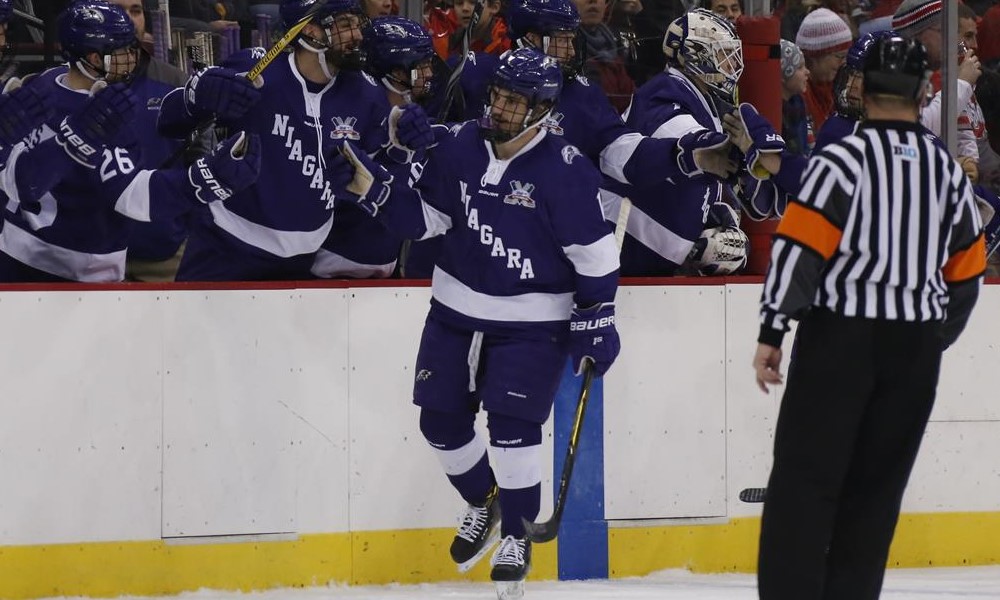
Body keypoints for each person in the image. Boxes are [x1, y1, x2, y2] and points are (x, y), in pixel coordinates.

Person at [332, 47, 621, 596]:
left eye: (515, 100)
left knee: (513, 432)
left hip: (533, 324)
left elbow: (597, 259)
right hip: (453, 313)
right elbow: (429, 219)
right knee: (439, 425)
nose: (501, 107)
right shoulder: (462, 144)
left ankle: (516, 532)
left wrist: (597, 317)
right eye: (499, 95)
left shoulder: (565, 171)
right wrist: (374, 192)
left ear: (542, 109)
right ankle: (483, 501)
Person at [753, 36, 986, 600]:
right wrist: (931, 339)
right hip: (913, 353)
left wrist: (772, 330)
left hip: (841, 341)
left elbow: (799, 250)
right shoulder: (946, 172)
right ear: (922, 90)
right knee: (875, 496)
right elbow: (968, 270)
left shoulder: (843, 160)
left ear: (863, 88)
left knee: (805, 488)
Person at [407, 0, 737, 277]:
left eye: (571, 38)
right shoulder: (476, 73)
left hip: (536, 247)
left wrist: (685, 155)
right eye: (561, 39)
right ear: (532, 38)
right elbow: (426, 136)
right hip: (464, 234)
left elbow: (622, 153)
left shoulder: (581, 94)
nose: (570, 47)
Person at [0, 0, 259, 283]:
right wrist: (203, 181)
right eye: (121, 50)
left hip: (16, 255)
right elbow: (134, 196)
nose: (131, 57)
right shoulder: (104, 112)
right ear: (94, 58)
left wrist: (192, 99)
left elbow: (14, 176)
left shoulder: (43, 83)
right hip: (77, 276)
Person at [157, 0, 393, 281]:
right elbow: (166, 122)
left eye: (357, 25)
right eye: (344, 25)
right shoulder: (254, 69)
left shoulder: (367, 95)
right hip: (225, 249)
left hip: (304, 263)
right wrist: (197, 96)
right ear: (310, 31)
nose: (356, 35)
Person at [609, 8, 753, 276]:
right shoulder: (663, 95)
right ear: (696, 55)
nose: (731, 66)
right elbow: (687, 142)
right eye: (723, 54)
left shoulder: (699, 97)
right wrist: (738, 152)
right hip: (624, 254)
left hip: (654, 266)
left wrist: (720, 215)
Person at [311, 15, 437, 278]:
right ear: (397, 71)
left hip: (385, 270)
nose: (429, 74)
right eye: (421, 66)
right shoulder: (355, 113)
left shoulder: (413, 121)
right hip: (329, 268)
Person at [795, 7, 853, 132]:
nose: (843, 62)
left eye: (845, 56)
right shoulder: (796, 96)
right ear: (816, 54)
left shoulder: (837, 88)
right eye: (839, 56)